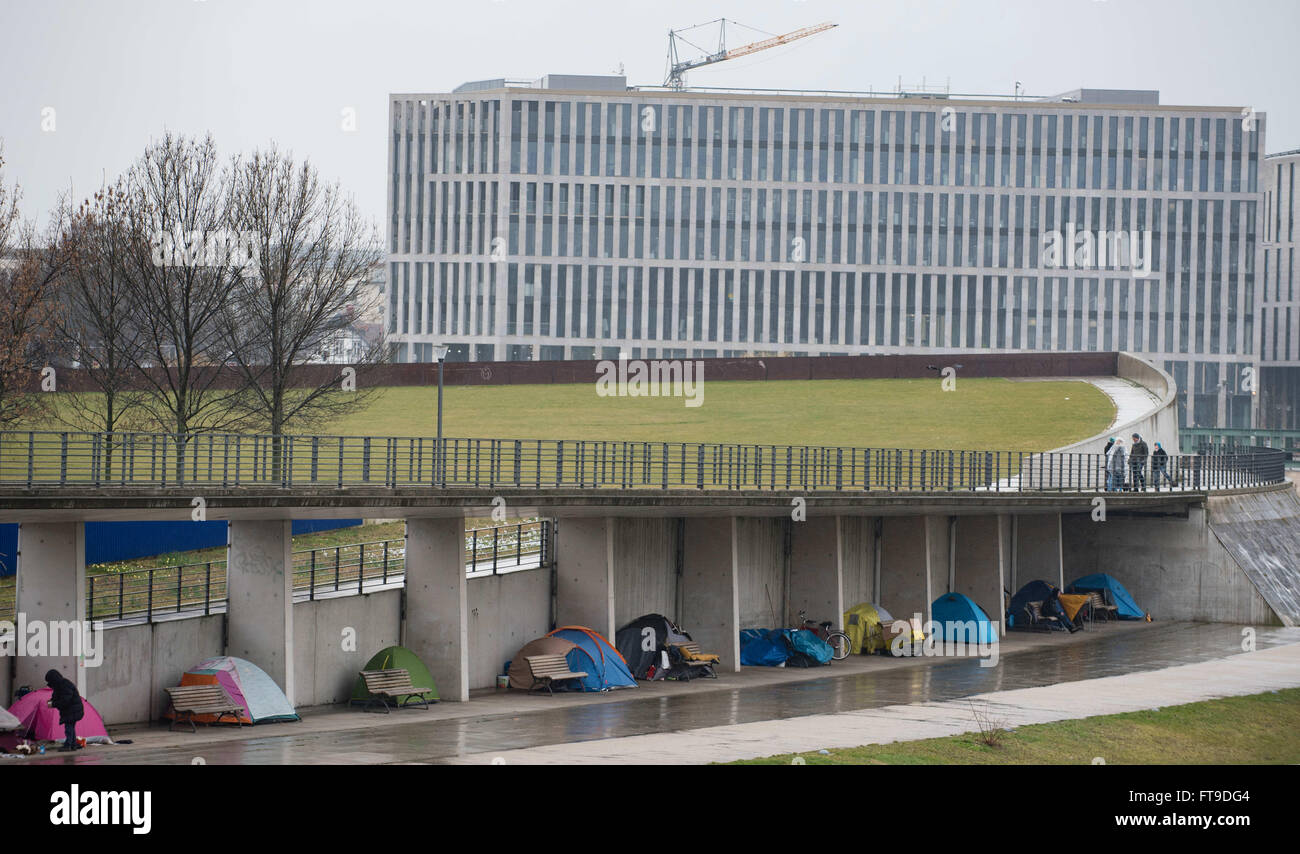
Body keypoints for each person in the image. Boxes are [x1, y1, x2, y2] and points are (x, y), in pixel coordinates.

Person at [44, 669, 84, 752]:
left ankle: (68, 745)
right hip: (72, 710)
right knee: (71, 727)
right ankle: (73, 745)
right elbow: (56, 696)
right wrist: (51, 701)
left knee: (68, 728)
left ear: (53, 680)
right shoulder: (59, 685)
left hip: (73, 710)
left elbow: (65, 699)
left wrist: (54, 704)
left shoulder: (64, 684)